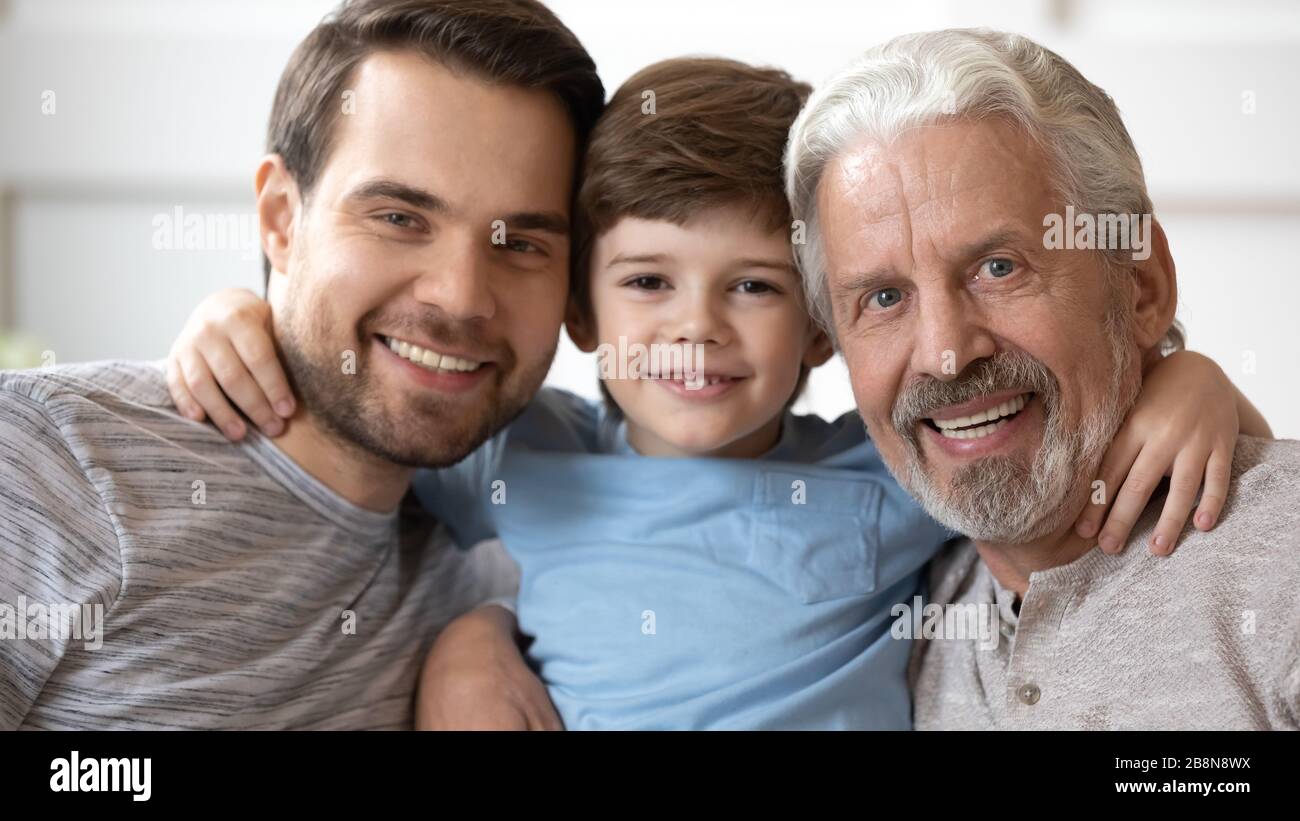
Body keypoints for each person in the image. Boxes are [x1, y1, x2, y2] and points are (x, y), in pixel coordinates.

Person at [164, 52, 1268, 728]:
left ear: (825, 328)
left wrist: (1186, 376)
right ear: (582, 315)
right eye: (647, 282)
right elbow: (357, 405)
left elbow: (1043, 459)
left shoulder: (881, 476)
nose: (694, 327)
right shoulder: (517, 457)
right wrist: (239, 311)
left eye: (752, 285)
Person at [0, 0, 604, 730]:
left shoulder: (512, 553)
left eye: (519, 243)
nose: (462, 297)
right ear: (282, 218)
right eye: (399, 218)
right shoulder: (45, 462)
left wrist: (482, 638)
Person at [785, 27, 1299, 729]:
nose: (946, 354)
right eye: (883, 297)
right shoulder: (881, 618)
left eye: (998, 267)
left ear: (1141, 287)